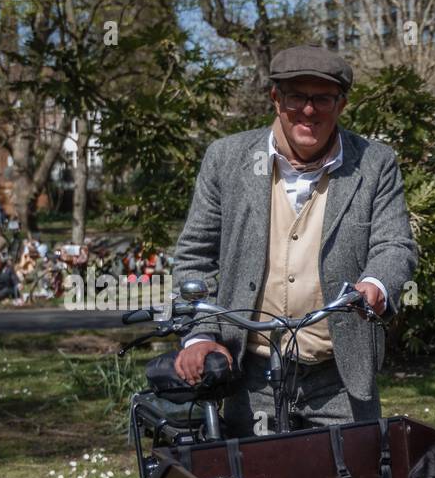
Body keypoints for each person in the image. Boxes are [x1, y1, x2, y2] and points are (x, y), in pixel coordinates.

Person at [172, 44, 417, 433]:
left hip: (339, 374)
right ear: (275, 99)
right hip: (249, 373)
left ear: (341, 104)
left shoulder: (374, 162)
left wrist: (375, 285)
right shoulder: (226, 158)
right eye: (296, 97)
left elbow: (394, 244)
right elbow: (196, 256)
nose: (308, 110)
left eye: (322, 98)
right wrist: (200, 334)